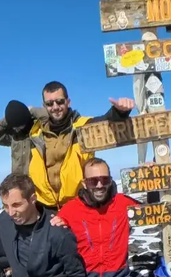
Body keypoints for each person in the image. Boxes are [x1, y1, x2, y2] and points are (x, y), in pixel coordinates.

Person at [27, 81, 135, 209]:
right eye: (50, 103)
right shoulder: (35, 132)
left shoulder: (82, 126)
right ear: (44, 106)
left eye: (60, 101)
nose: (55, 107)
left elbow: (105, 121)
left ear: (68, 102)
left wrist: (119, 112)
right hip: (44, 207)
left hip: (78, 204)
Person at [58, 157, 139, 277]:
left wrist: (152, 177)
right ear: (84, 183)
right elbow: (51, 236)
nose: (100, 185)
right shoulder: (70, 210)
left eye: (105, 179)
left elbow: (154, 211)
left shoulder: (123, 203)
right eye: (93, 181)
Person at [0, 100, 48, 175]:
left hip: (36, 180)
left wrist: (31, 111)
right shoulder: (13, 137)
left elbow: (49, 116)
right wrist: (9, 119)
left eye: (19, 126)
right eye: (14, 126)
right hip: (18, 182)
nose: (16, 129)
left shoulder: (39, 132)